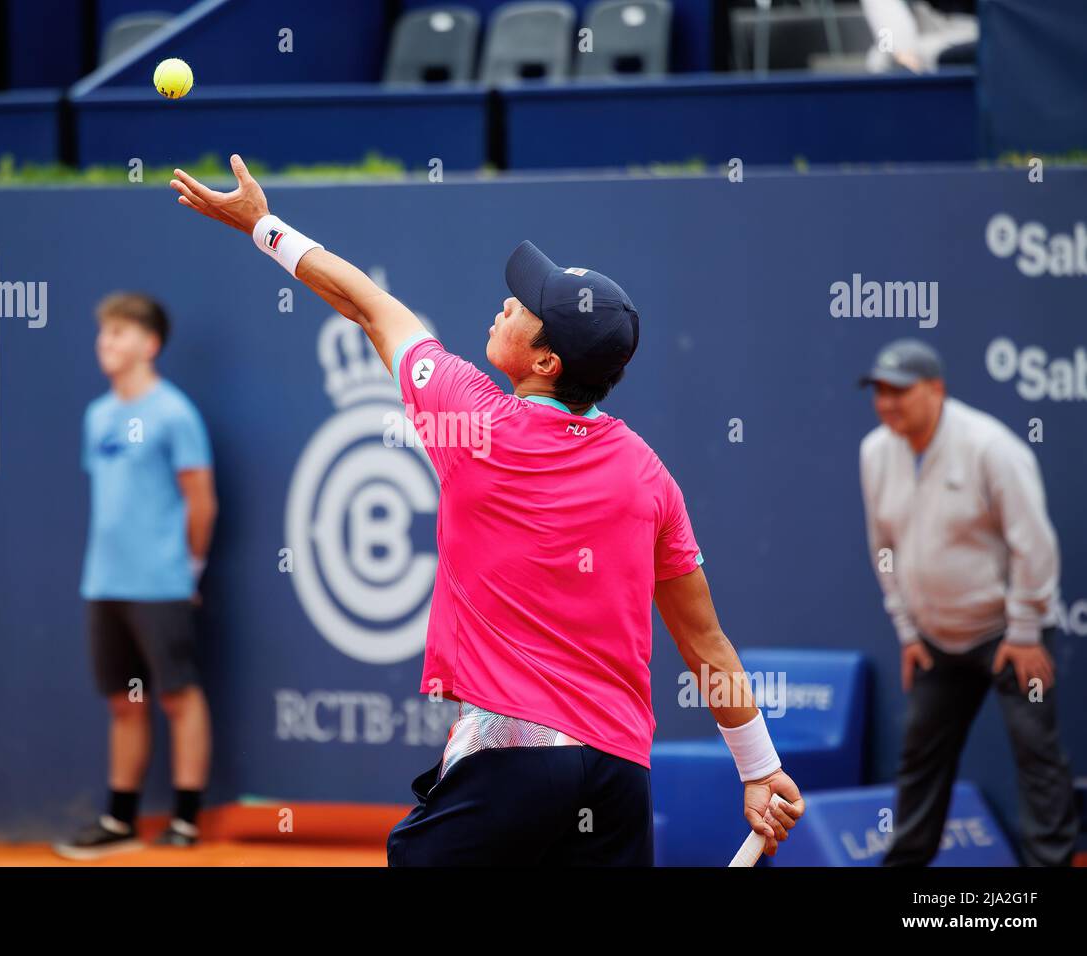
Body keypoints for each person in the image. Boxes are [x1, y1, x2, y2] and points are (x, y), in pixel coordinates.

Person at [169, 155, 805, 865]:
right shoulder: (652, 478)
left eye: (523, 307)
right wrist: (758, 767)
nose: (507, 303)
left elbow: (369, 308)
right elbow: (706, 644)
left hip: (514, 760)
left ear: (546, 362)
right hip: (619, 775)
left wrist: (263, 225)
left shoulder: (472, 422)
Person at [858, 339, 1077, 866]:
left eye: (900, 391)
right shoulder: (874, 451)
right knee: (919, 760)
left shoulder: (992, 447)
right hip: (936, 641)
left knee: (1036, 756)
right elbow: (883, 549)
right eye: (879, 391)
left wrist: (1024, 632)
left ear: (936, 390)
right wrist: (909, 632)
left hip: (1009, 637)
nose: (887, 403)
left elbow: (1035, 545)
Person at [54, 292, 218, 860]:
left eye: (119, 333)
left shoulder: (175, 414)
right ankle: (120, 821)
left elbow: (201, 502)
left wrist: (189, 569)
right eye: (103, 334)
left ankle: (186, 820)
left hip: (163, 583)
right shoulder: (96, 416)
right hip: (103, 584)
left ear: (149, 344)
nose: (106, 343)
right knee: (124, 702)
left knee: (177, 696)